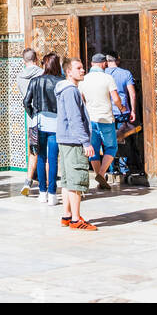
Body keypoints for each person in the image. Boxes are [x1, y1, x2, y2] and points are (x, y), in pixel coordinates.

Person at [55, 57, 96, 231]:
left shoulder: (65, 89)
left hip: (65, 139)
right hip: (73, 141)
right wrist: (86, 142)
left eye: (82, 67)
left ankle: (67, 215)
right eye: (78, 68)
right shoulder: (70, 91)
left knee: (66, 179)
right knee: (76, 180)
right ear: (68, 72)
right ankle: (76, 219)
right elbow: (74, 118)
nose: (83, 70)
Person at [79, 53, 123, 190]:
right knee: (112, 147)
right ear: (104, 64)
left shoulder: (83, 80)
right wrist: (121, 107)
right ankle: (102, 173)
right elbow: (115, 98)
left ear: (92, 64)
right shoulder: (108, 78)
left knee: (94, 150)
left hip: (91, 119)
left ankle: (100, 178)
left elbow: (81, 99)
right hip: (106, 118)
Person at [25, 52, 62, 203]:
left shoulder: (35, 81)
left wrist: (34, 115)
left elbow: (26, 101)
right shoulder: (61, 82)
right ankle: (52, 194)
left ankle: (42, 193)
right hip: (56, 125)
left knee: (40, 157)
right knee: (53, 159)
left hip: (38, 123)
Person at [106, 52, 142, 183]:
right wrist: (133, 110)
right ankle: (123, 168)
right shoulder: (125, 74)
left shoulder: (103, 74)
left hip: (107, 112)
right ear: (118, 60)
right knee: (123, 139)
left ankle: (110, 168)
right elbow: (132, 94)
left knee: (109, 139)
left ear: (106, 61)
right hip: (122, 112)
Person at [17, 47, 43, 196]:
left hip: (31, 119)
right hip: (45, 118)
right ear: (36, 59)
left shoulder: (20, 77)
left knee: (33, 149)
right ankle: (44, 182)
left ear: (23, 60)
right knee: (45, 150)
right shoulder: (43, 74)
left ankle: (29, 180)